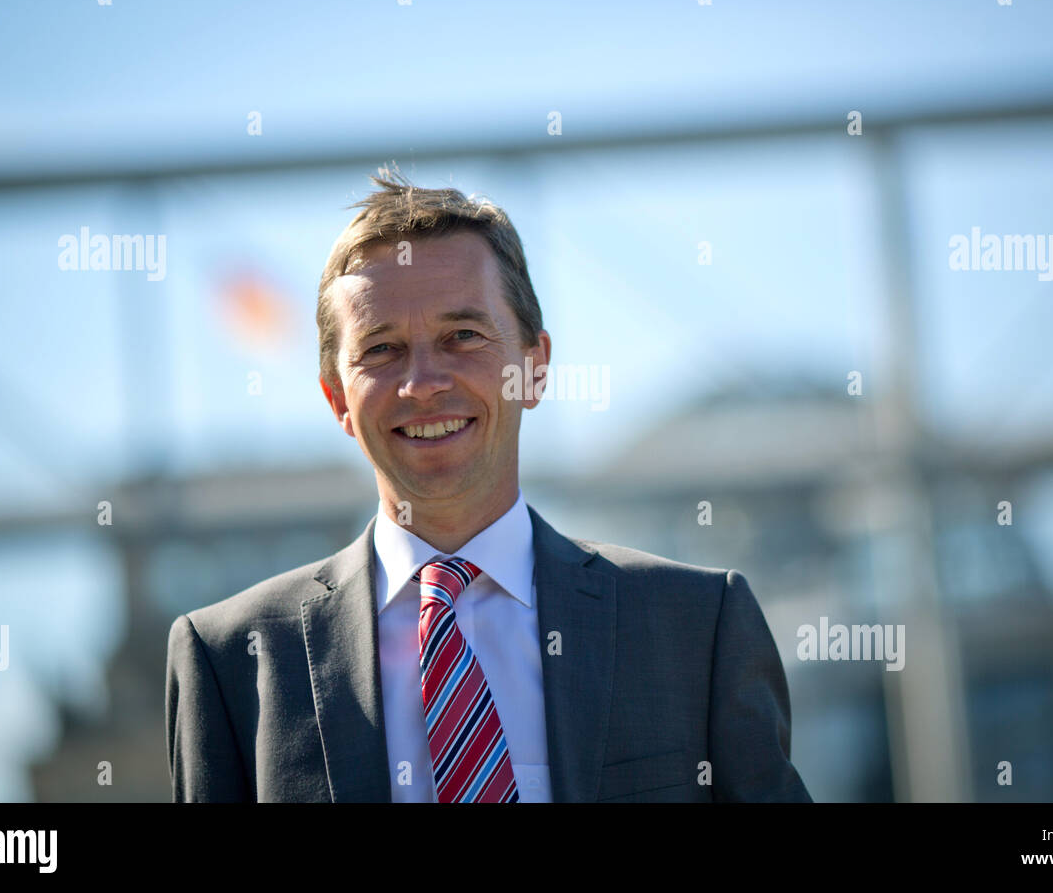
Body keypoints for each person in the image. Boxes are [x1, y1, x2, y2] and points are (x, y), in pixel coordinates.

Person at [165, 166, 812, 803]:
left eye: (462, 336)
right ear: (337, 398)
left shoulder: (696, 627)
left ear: (535, 367)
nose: (423, 383)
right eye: (382, 350)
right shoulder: (232, 661)